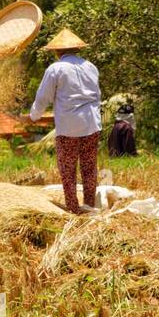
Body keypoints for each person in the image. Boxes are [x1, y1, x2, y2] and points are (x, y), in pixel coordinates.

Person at [30, 29, 102, 214]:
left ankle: (73, 208)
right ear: (77, 49)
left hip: (69, 126)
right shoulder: (91, 66)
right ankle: (89, 205)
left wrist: (33, 116)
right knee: (89, 167)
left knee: (68, 170)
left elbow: (43, 97)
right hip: (92, 123)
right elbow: (96, 96)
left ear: (56, 51)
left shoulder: (55, 69)